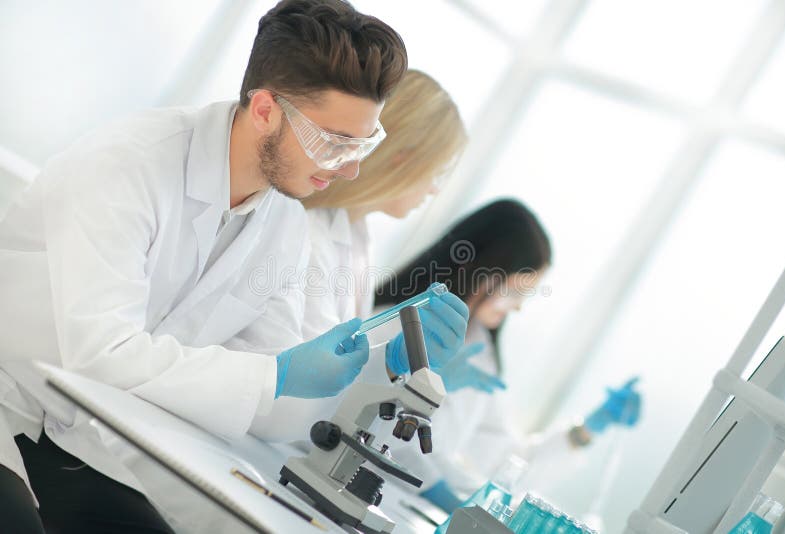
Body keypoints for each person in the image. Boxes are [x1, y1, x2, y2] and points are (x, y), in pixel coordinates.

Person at [0, 1, 417, 531]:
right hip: (12, 399)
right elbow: (101, 352)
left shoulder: (283, 226)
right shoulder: (131, 164)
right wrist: (275, 374)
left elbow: (267, 409)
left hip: (85, 437)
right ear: (265, 109)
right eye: (334, 142)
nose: (353, 168)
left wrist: (372, 364)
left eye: (363, 144)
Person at [373, 199, 642, 512]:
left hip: (405, 513)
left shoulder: (479, 353)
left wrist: (584, 431)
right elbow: (375, 431)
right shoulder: (396, 322)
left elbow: (503, 462)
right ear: (480, 270)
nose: (517, 307)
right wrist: (437, 490)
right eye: (514, 293)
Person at [248, 68, 471, 445]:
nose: (434, 190)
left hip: (283, 441)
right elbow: (283, 390)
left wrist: (387, 363)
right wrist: (385, 362)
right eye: (437, 172)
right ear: (403, 159)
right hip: (250, 437)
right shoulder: (306, 229)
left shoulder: (356, 236)